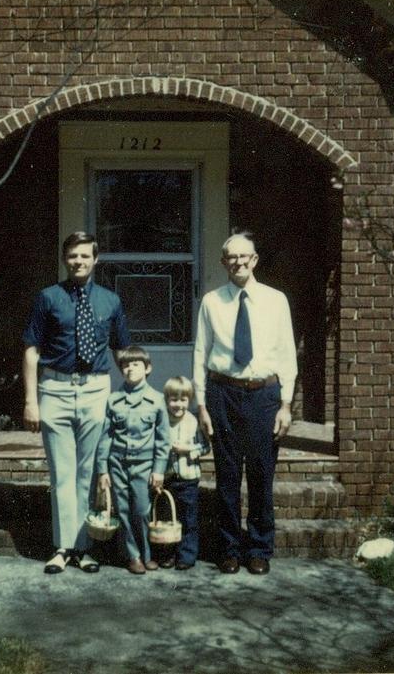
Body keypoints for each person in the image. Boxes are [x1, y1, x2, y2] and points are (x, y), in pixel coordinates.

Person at [22, 231, 130, 574]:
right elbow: (31, 350)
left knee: (88, 472)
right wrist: (31, 401)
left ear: (95, 260)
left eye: (85, 256)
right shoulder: (48, 298)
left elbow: (122, 351)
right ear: (64, 259)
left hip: (95, 390)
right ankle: (62, 547)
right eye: (72, 256)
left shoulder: (110, 301)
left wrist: (135, 391)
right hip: (55, 390)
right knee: (62, 474)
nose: (78, 261)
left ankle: (84, 548)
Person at [192, 231, 297, 575]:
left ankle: (259, 549)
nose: (238, 262)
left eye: (244, 256)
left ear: (254, 260)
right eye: (231, 257)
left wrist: (285, 404)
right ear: (224, 262)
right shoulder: (212, 302)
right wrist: (201, 405)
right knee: (227, 475)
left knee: (261, 474)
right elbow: (200, 354)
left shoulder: (276, 300)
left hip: (264, 396)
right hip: (222, 393)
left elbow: (286, 354)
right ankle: (229, 549)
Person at [95, 346, 170, 575]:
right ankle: (133, 556)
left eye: (136, 364)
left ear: (147, 368)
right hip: (118, 463)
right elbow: (106, 437)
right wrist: (102, 469)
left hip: (144, 465)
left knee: (142, 509)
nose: (130, 369)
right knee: (123, 509)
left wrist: (159, 469)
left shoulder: (157, 400)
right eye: (126, 365)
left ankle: (147, 554)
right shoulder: (114, 400)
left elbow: (163, 440)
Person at [158, 376, 209, 571]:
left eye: (183, 400)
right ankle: (168, 555)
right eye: (173, 400)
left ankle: (186, 555)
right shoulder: (162, 421)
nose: (178, 405)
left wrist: (188, 449)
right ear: (166, 400)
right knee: (167, 518)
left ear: (189, 400)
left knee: (188, 518)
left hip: (188, 479)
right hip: (168, 478)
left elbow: (205, 447)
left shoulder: (193, 421)